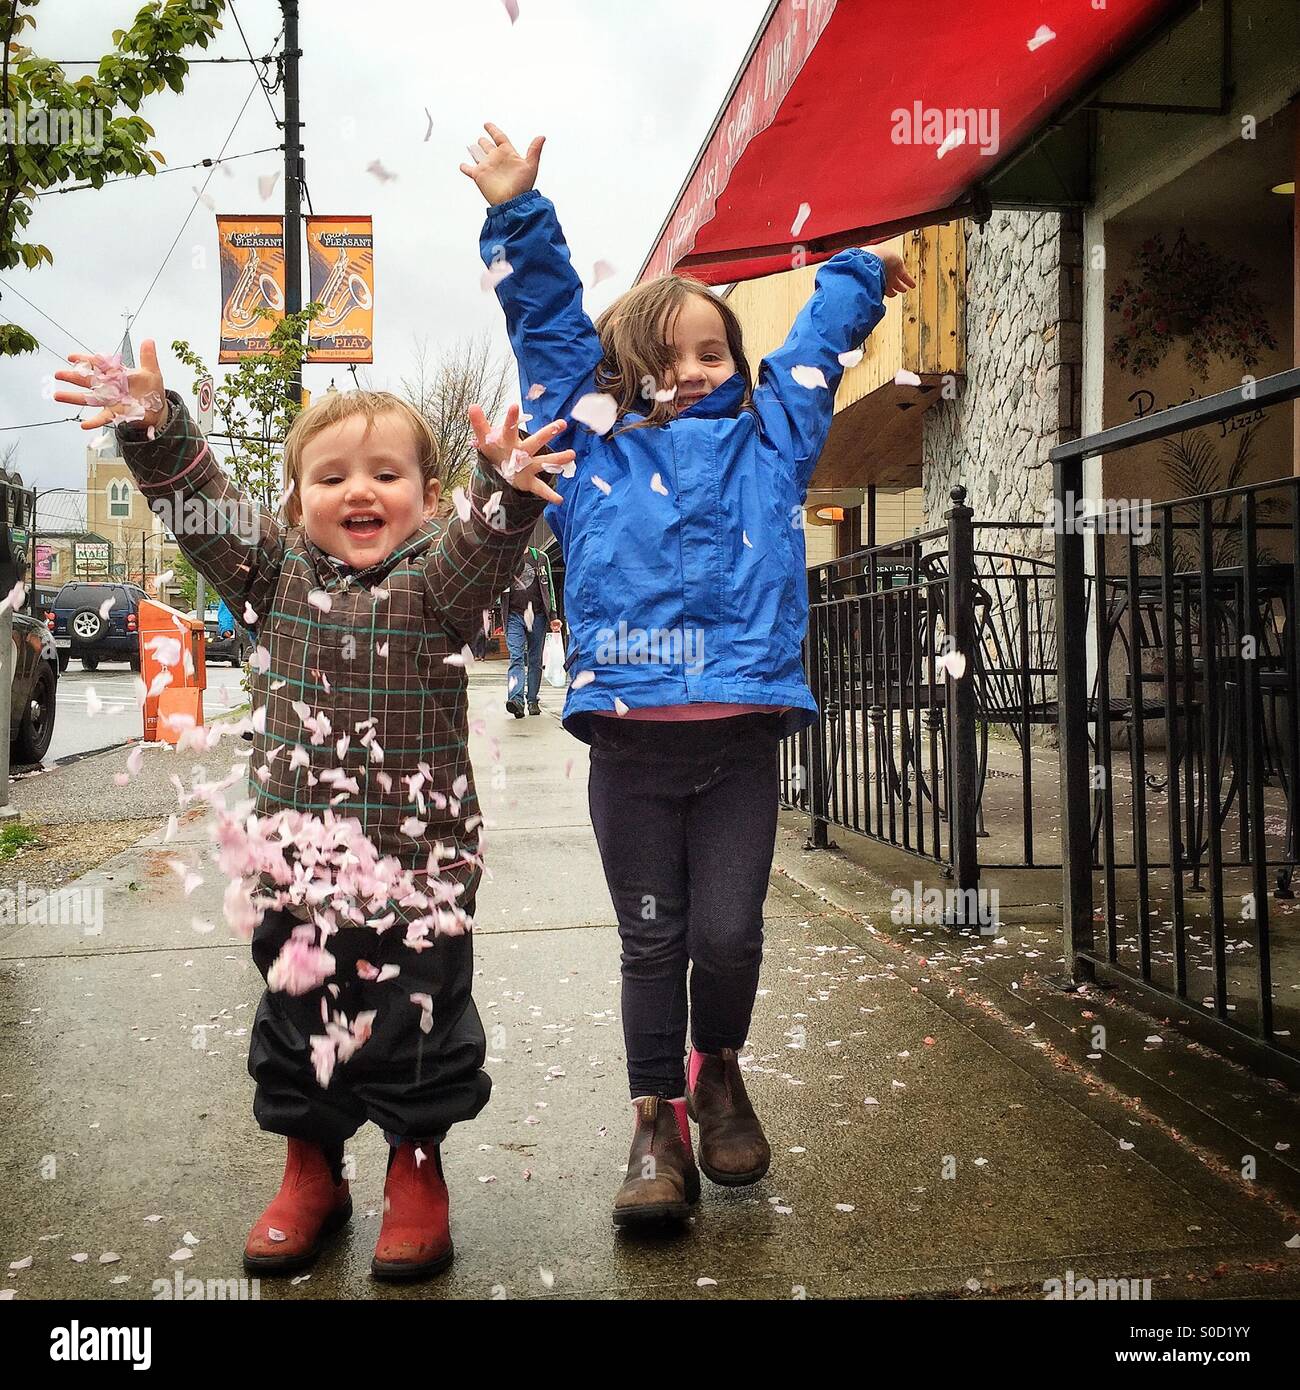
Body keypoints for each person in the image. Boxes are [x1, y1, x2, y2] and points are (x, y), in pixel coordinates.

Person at [463, 123, 913, 1226]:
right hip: (630, 745)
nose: (691, 371)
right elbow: (549, 328)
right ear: (621, 374)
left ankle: (720, 1072)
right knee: (653, 939)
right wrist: (519, 212)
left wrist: (857, 274)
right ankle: (653, 1123)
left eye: (710, 352)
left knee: (729, 934)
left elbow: (811, 349)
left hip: (736, 747)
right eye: (664, 358)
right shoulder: (591, 445)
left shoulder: (773, 440)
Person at [54, 342, 569, 1278]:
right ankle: (311, 1169)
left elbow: (484, 547)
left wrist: (505, 489)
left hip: (421, 878)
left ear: (425, 492)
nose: (359, 491)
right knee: (297, 1028)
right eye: (331, 477)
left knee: (421, 1030)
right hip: (296, 871)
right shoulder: (273, 579)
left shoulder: (436, 590)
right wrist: (156, 426)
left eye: (386, 473)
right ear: (295, 502)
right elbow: (202, 515)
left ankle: (417, 1173)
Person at [501, 543, 560, 717]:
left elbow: (549, 588)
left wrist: (554, 615)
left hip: (538, 616)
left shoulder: (540, 558)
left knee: (535, 659)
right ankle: (516, 700)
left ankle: (533, 700)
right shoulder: (506, 558)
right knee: (516, 657)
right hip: (514, 615)